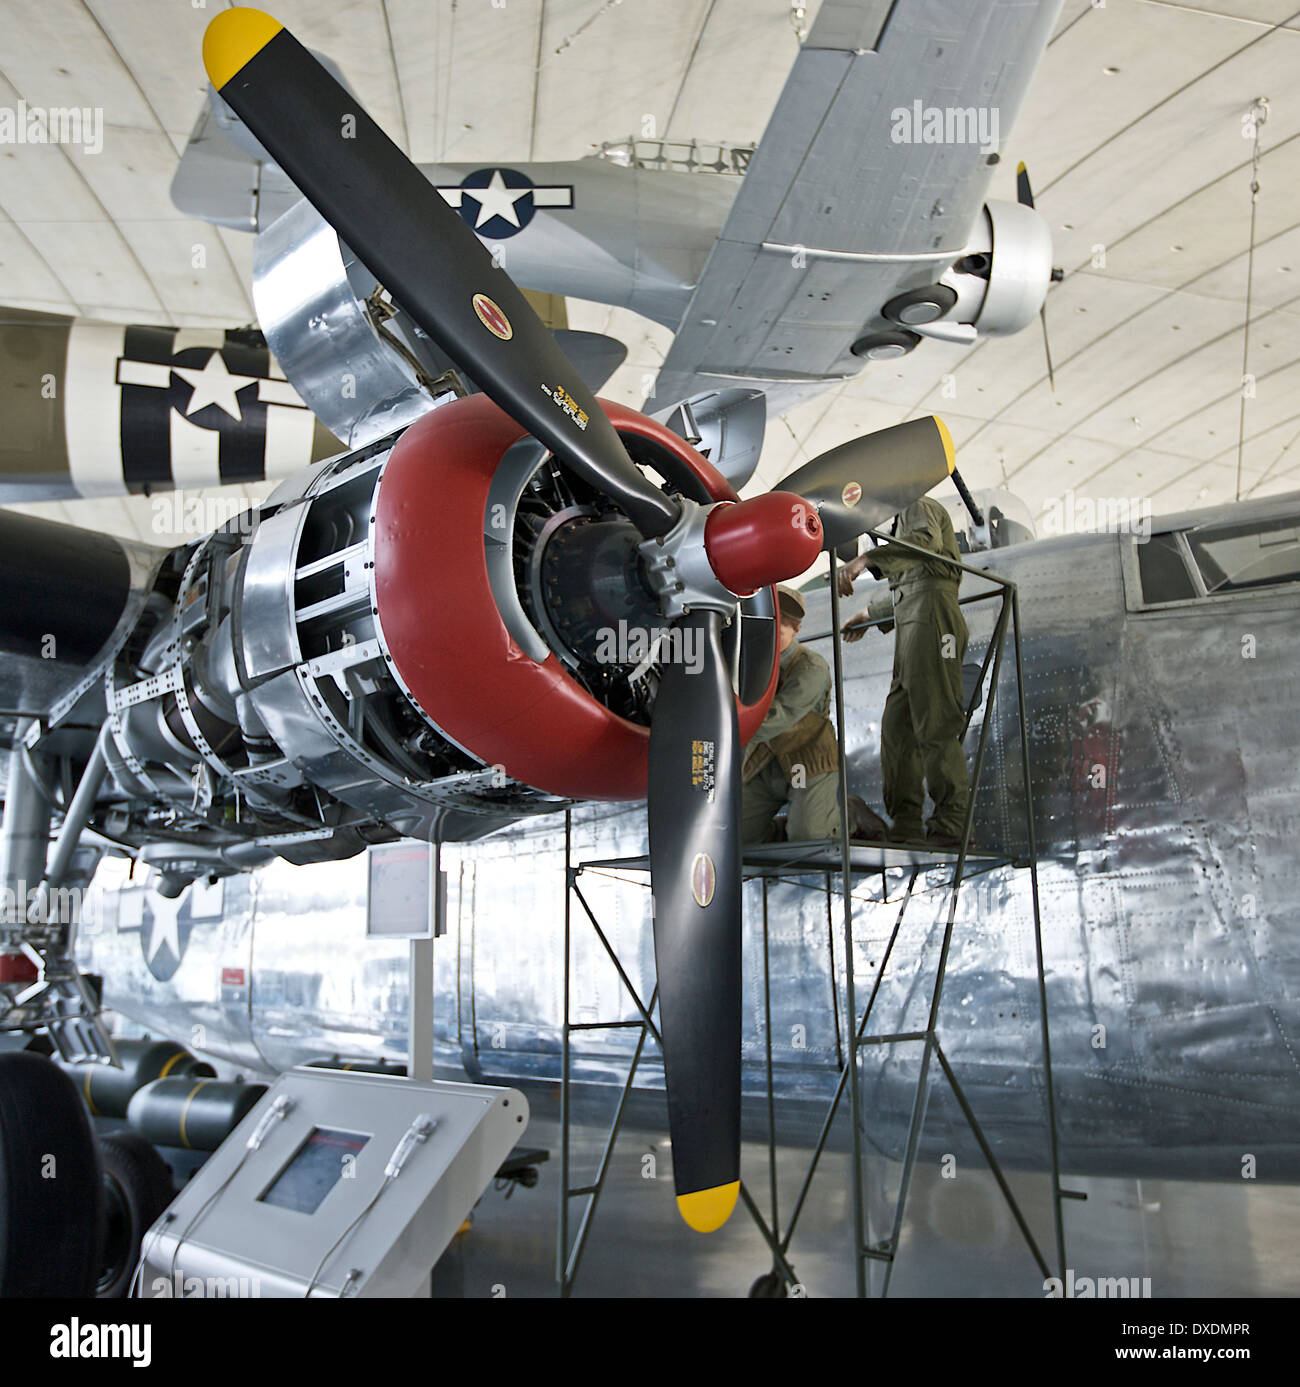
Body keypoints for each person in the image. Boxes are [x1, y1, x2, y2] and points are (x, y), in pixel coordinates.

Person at [839, 496, 971, 849]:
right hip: (913, 618)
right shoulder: (901, 523)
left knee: (935, 719)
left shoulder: (916, 505)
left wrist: (867, 559)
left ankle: (951, 823)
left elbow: (925, 547)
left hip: (931, 617)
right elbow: (910, 584)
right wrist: (869, 615)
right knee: (897, 727)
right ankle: (907, 822)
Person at [741, 586, 844, 844]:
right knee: (735, 837)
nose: (771, 636)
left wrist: (717, 728)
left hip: (806, 761)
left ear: (796, 630)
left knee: (809, 837)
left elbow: (776, 718)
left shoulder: (811, 668)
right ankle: (794, 824)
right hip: (765, 763)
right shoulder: (747, 663)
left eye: (780, 629)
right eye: (767, 627)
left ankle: (847, 817)